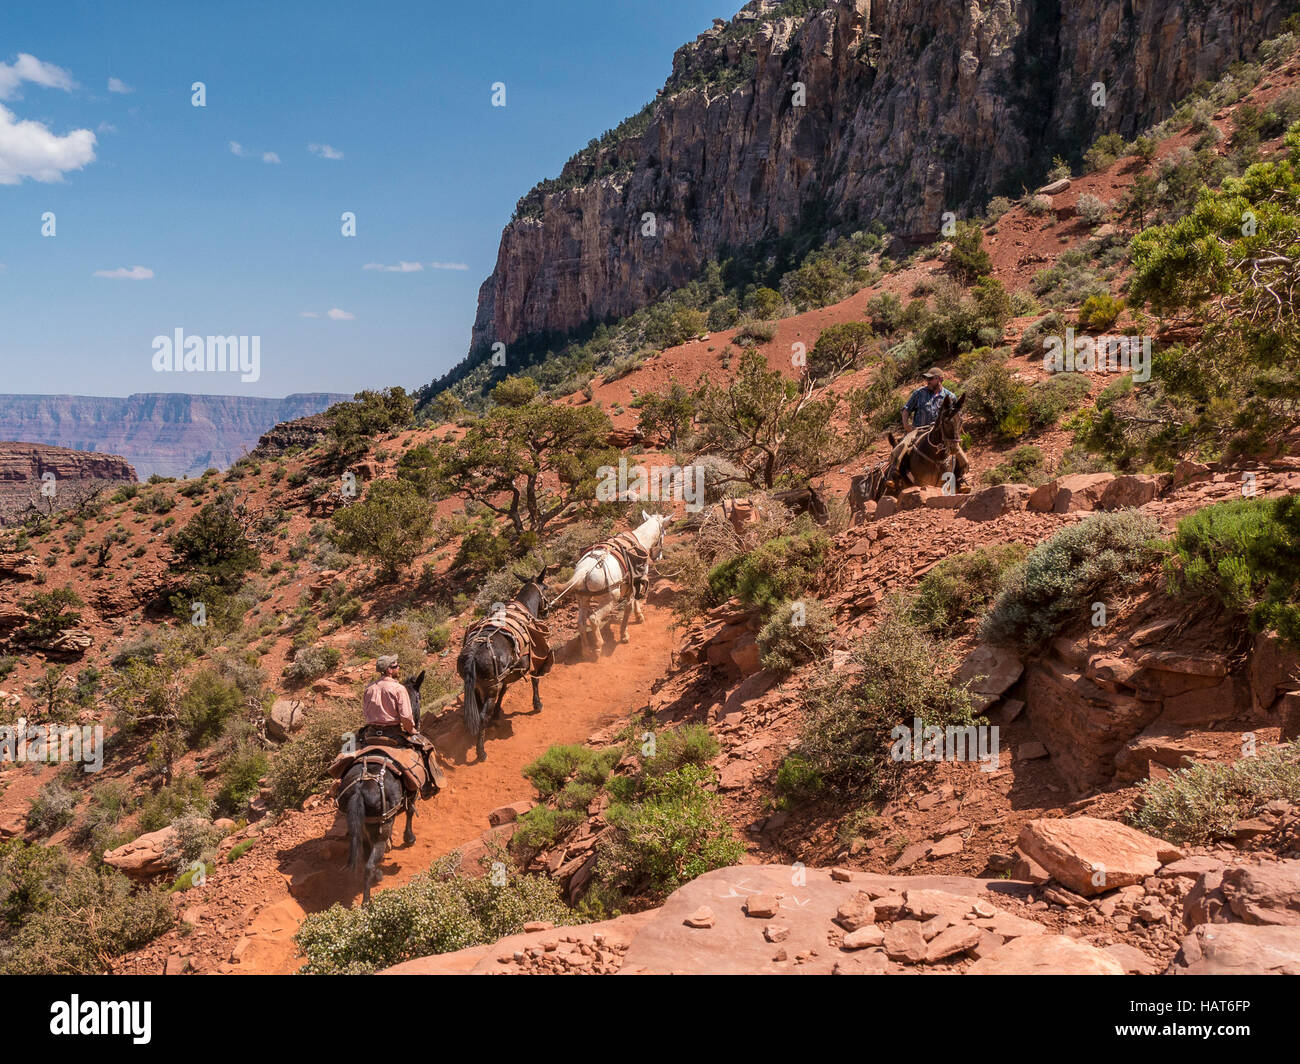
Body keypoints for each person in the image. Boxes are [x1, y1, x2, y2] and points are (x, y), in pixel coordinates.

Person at [360, 655, 440, 795]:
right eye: (396, 666)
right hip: (393, 733)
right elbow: (406, 717)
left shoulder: (369, 688)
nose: (398, 668)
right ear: (389, 670)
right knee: (426, 748)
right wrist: (412, 731)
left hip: (371, 734)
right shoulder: (398, 689)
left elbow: (366, 713)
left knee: (351, 745)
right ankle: (427, 787)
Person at [901, 367, 956, 433]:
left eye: (930, 378)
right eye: (926, 378)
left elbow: (955, 416)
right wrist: (906, 426)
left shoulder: (951, 397)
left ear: (940, 379)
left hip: (940, 435)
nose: (927, 381)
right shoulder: (919, 393)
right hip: (919, 433)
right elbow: (906, 410)